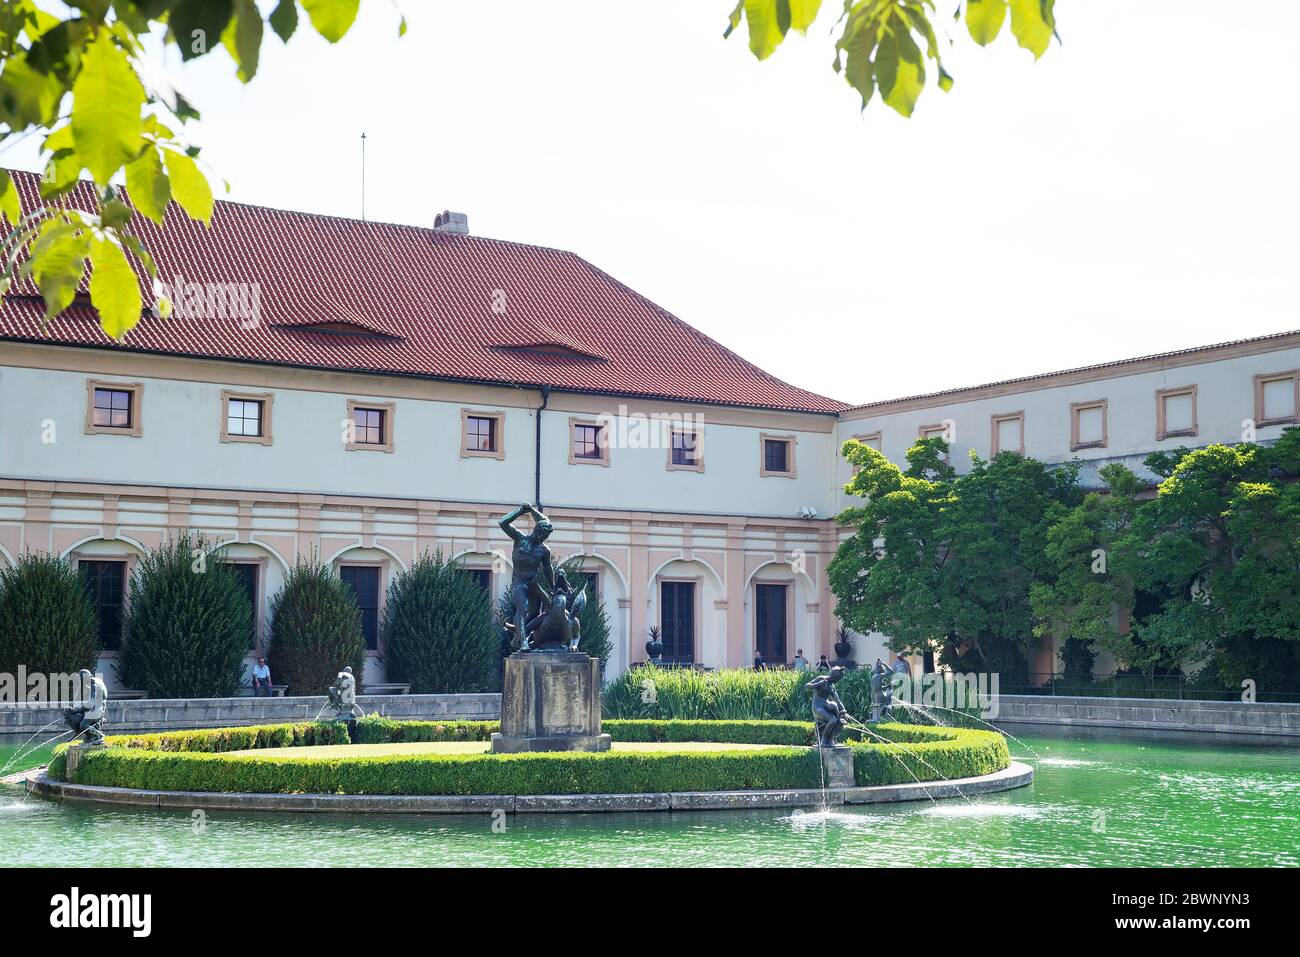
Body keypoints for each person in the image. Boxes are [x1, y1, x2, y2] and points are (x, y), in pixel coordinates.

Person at [498, 503, 556, 651]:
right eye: (542, 534)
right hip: (519, 582)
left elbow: (548, 570)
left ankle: (520, 633)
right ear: (536, 530)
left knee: (549, 607)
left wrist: (554, 587)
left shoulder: (544, 550)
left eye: (546, 536)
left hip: (533, 583)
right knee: (522, 609)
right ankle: (523, 642)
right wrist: (521, 511)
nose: (543, 537)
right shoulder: (520, 539)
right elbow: (502, 522)